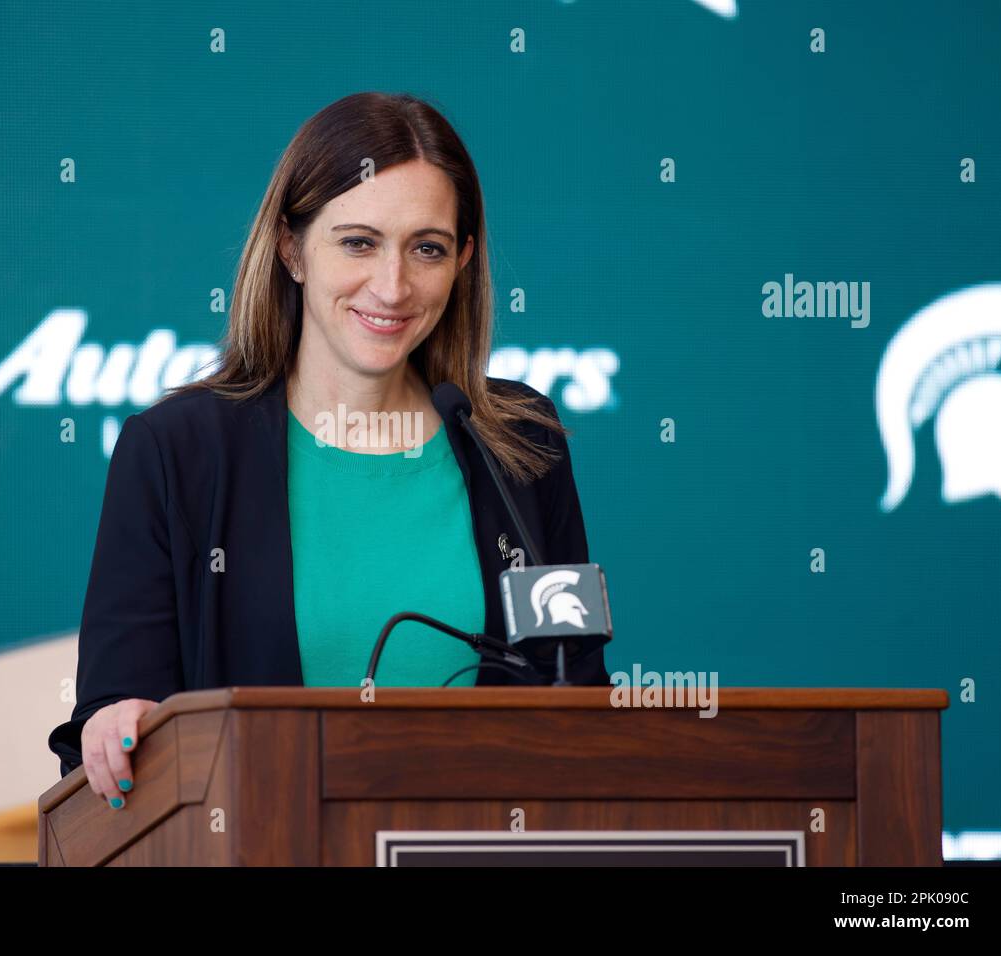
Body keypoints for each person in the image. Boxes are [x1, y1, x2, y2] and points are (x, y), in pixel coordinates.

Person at [47, 91, 607, 808]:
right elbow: (120, 716)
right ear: (291, 249)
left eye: (427, 248)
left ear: (463, 259)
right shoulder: (176, 453)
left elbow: (583, 702)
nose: (392, 285)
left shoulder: (518, 442)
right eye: (358, 242)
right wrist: (115, 726)